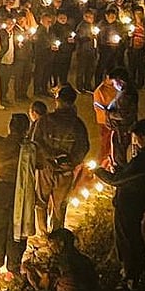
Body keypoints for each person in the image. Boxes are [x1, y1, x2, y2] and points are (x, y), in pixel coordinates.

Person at [94, 118, 145, 290]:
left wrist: (100, 172)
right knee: (132, 235)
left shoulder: (144, 158)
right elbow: (129, 174)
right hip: (138, 202)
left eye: (136, 138)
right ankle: (136, 269)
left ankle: (131, 274)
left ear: (143, 137)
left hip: (130, 204)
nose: (135, 141)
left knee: (127, 238)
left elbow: (119, 180)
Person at [33, 83, 90, 231]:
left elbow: (36, 141)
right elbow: (83, 147)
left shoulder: (45, 120)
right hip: (65, 172)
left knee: (40, 202)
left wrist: (49, 157)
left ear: (59, 101)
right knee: (60, 205)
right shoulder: (78, 125)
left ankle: (43, 233)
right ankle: (57, 236)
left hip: (45, 168)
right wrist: (70, 162)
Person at [0, 113, 29, 281]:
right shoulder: (27, 148)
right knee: (16, 229)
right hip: (18, 191)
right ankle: (12, 269)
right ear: (26, 130)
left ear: (10, 127)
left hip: (0, 190)